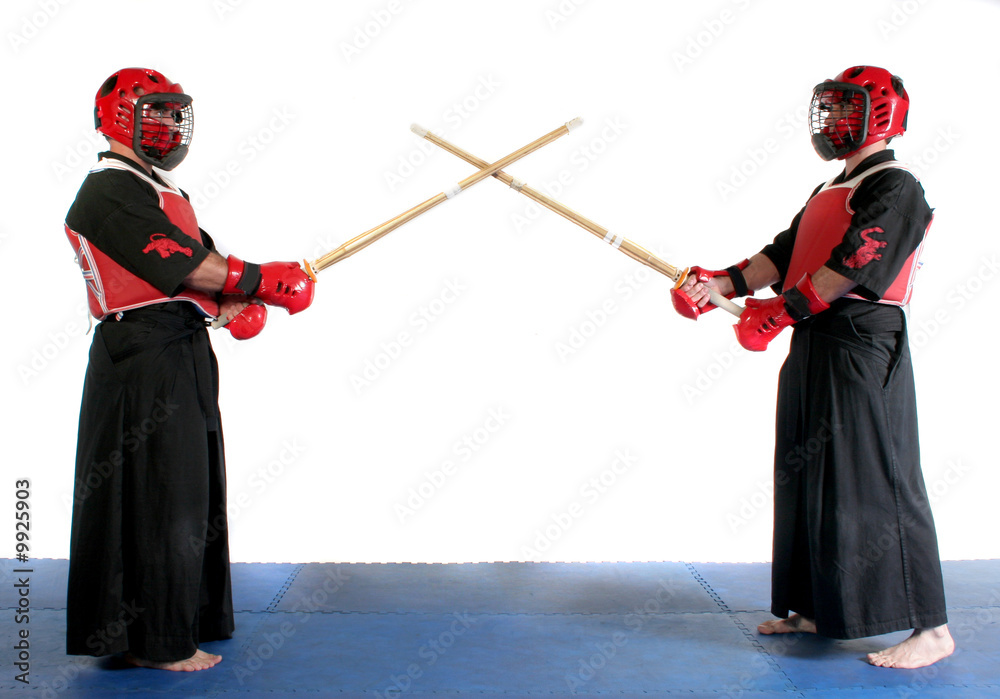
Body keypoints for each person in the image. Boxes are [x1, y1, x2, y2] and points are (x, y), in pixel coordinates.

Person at [672, 65, 954, 669]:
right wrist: (720, 283)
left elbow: (858, 260)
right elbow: (787, 251)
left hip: (860, 341)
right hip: (815, 338)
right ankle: (817, 606)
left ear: (877, 114)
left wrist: (781, 311)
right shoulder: (832, 186)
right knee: (807, 474)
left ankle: (931, 630)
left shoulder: (896, 185)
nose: (832, 122)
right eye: (827, 109)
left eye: (845, 110)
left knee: (881, 480)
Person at [63, 67, 315, 672]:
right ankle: (162, 644)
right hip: (141, 356)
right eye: (158, 110)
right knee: (164, 495)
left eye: (176, 112)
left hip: (178, 346)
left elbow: (207, 265)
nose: (171, 124)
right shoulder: (108, 189)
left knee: (192, 489)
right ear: (123, 115)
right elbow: (175, 261)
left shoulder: (158, 188)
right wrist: (256, 278)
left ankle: (176, 622)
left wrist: (246, 300)